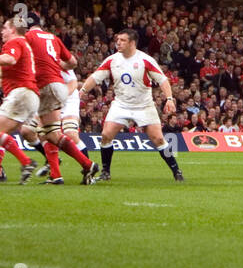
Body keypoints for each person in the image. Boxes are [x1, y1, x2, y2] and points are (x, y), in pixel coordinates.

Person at [79, 29, 184, 182]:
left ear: (132, 43)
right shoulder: (112, 60)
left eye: (122, 40)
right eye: (117, 39)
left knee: (158, 139)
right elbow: (95, 77)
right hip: (121, 104)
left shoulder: (145, 59)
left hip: (144, 105)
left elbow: (162, 80)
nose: (118, 43)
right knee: (106, 135)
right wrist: (82, 91)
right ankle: (106, 172)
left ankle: (176, 171)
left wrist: (169, 99)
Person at [24, 15, 100, 184]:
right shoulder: (52, 43)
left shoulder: (42, 53)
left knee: (68, 134)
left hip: (65, 95)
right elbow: (72, 62)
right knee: (45, 133)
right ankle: (59, 173)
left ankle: (84, 168)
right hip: (53, 92)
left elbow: (73, 81)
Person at [0, 18, 40, 186]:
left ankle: (25, 161)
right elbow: (4, 69)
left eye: (4, 28)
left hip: (21, 93)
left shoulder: (15, 42)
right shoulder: (23, 45)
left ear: (13, 30)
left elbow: (9, 60)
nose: (1, 31)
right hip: (28, 94)